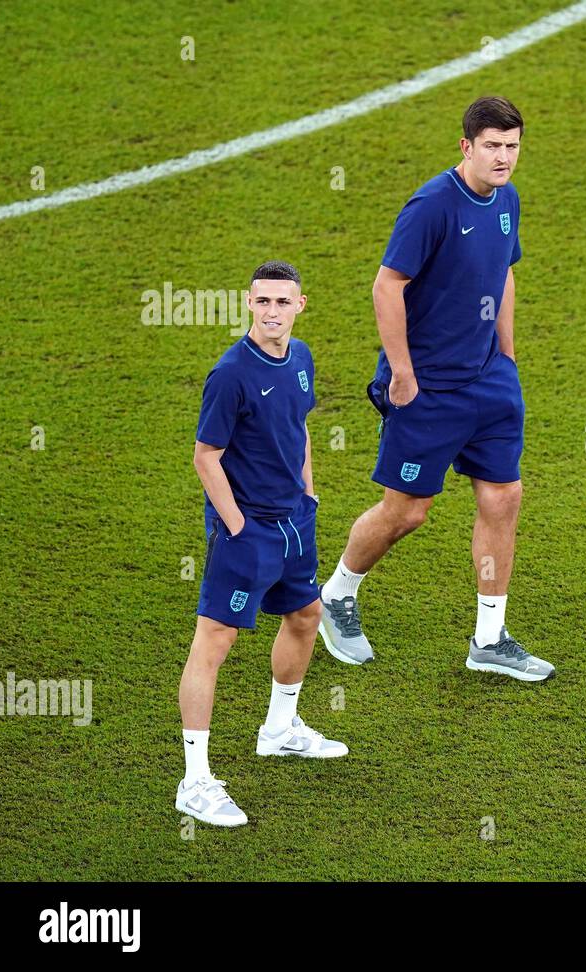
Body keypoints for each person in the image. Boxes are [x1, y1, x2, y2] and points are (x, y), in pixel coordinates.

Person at [318, 96, 553, 682]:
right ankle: (336, 594)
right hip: (428, 387)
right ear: (466, 146)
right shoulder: (432, 206)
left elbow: (503, 272)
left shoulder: (507, 199)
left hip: (489, 381)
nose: (504, 157)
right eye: (493, 146)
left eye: (513, 146)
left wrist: (508, 354)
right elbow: (386, 286)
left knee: (503, 497)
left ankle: (490, 639)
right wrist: (401, 373)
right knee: (407, 512)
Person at [177, 261, 347, 828]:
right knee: (215, 639)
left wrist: (309, 494)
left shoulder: (300, 358)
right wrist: (238, 526)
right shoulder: (230, 374)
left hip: (295, 521)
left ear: (301, 305)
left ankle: (279, 731)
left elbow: (299, 428)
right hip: (247, 527)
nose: (272, 312)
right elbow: (206, 456)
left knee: (306, 613)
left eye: (283, 302)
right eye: (262, 302)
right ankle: (195, 780)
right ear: (249, 304)